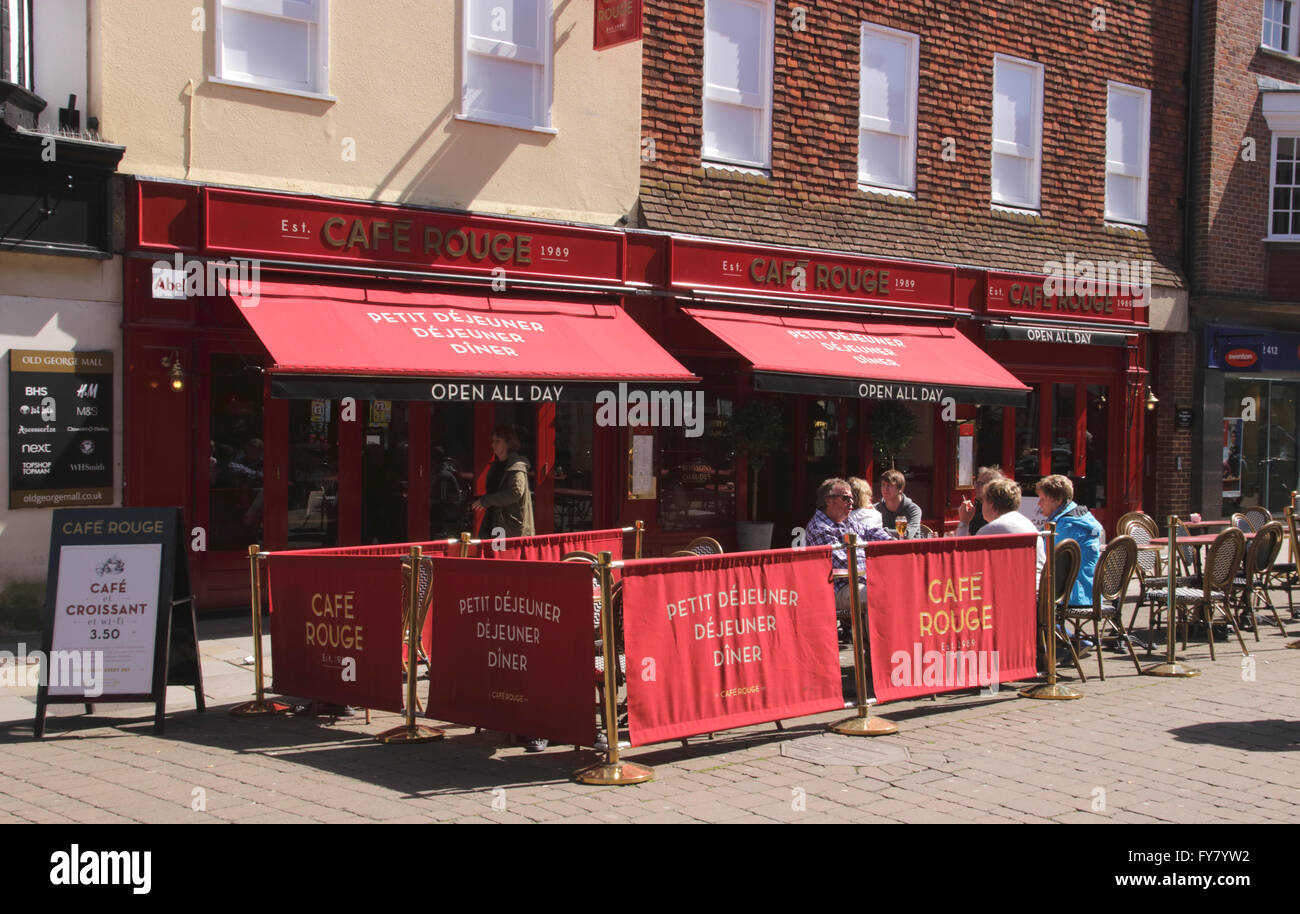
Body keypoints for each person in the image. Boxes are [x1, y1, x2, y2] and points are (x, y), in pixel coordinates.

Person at [806, 478, 895, 633]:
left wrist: (893, 543)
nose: (852, 502)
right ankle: (875, 654)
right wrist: (878, 563)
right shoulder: (820, 528)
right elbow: (845, 564)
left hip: (859, 581)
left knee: (900, 589)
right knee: (876, 595)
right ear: (829, 500)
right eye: (846, 498)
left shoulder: (847, 521)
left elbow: (871, 531)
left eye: (852, 498)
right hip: (836, 588)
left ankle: (889, 648)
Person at [1035, 474, 1104, 608]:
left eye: (1043, 499)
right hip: (1089, 592)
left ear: (1058, 500)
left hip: (1068, 595)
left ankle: (1055, 629)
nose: (1039, 503)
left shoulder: (1065, 527)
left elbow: (1045, 561)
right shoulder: (1083, 518)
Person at [961, 478, 1045, 582]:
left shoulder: (992, 529)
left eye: (982, 501)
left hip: (1017, 594)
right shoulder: (1026, 523)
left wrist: (964, 522)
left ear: (991, 503)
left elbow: (963, 563)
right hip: (1035, 591)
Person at [471, 426, 535, 539]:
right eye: (493, 441)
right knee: (488, 554)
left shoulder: (516, 466)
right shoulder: (496, 465)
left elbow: (515, 493)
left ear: (508, 443)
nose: (493, 445)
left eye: (497, 441)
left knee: (501, 555)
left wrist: (487, 500)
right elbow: (496, 491)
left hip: (509, 527)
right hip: (495, 521)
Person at [957, 466, 1005, 536]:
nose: (975, 486)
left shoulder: (994, 516)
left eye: (981, 484)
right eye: (976, 482)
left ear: (994, 488)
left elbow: (964, 544)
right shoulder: (976, 508)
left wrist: (964, 521)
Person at [875, 469, 923, 538]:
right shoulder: (875, 509)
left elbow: (906, 535)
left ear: (900, 488)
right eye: (883, 485)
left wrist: (881, 531)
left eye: (889, 485)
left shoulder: (913, 510)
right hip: (883, 548)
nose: (885, 488)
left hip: (908, 548)